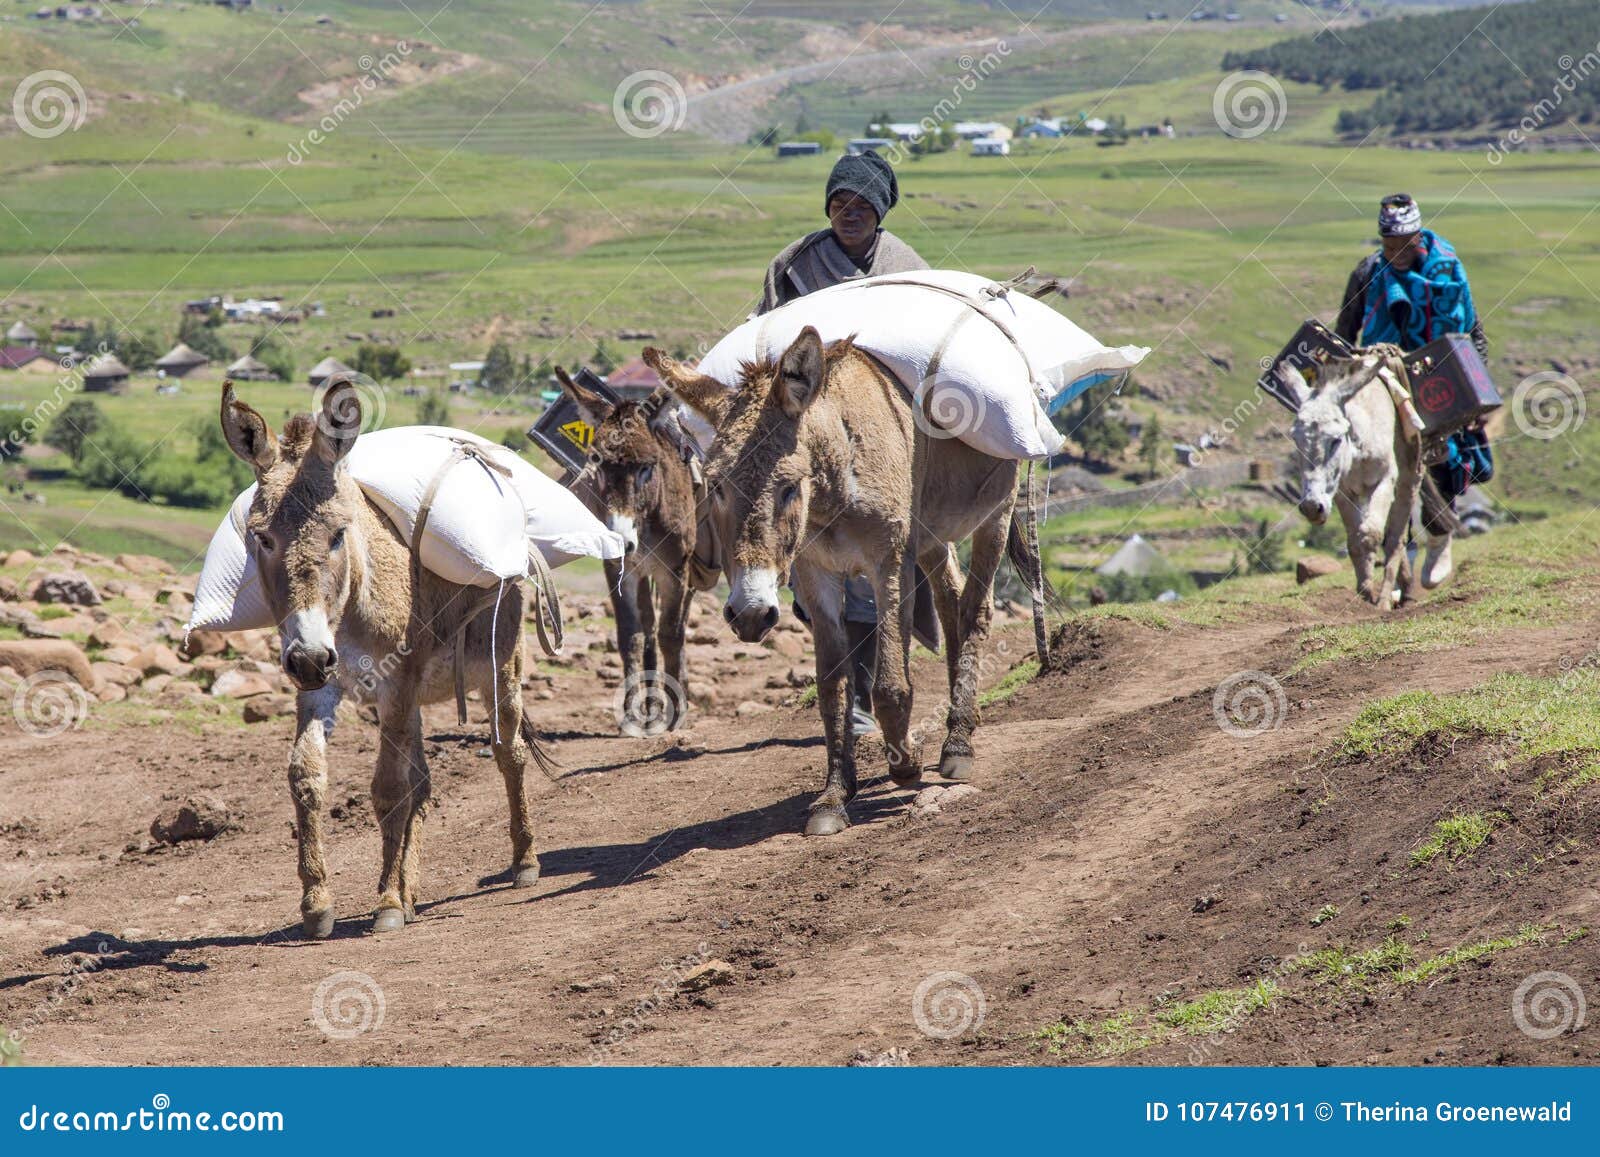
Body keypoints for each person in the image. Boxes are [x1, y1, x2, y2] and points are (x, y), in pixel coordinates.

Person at [758, 149, 931, 736]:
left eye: (861, 205)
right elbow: (770, 335)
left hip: (884, 419)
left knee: (878, 562)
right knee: (812, 562)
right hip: (810, 418)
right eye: (838, 203)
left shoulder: (907, 265)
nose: (848, 214)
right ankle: (850, 692)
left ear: (880, 211)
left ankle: (869, 693)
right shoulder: (795, 265)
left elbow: (918, 343)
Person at [1334, 192, 1489, 589]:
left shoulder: (1449, 271)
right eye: (1388, 246)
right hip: (1384, 376)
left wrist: (1478, 389)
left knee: (1440, 458)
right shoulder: (1368, 273)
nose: (1396, 254)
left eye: (1404, 245)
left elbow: (1472, 331)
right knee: (1387, 466)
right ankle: (1395, 557)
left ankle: (1439, 537)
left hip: (1439, 374)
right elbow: (1345, 332)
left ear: (1419, 237)